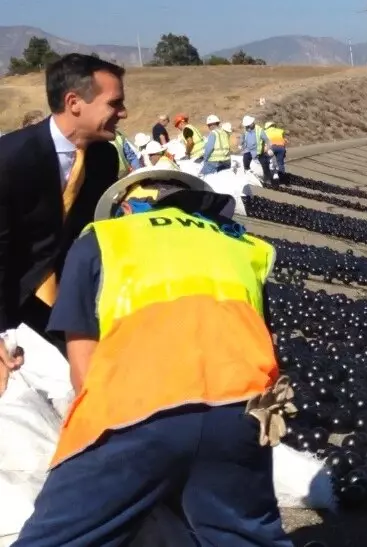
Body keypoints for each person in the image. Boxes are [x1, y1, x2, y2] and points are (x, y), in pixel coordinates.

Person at [11, 166, 294, 546]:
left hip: (134, 410)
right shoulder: (243, 246)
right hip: (240, 410)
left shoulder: (104, 239)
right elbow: (265, 341)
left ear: (125, 206)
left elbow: (84, 368)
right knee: (239, 534)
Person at [0, 53, 125, 396]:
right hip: (11, 296)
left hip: (67, 295)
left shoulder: (103, 158)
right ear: (74, 103)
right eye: (115, 103)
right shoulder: (10, 159)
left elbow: (88, 231)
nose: (123, 112)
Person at [239, 115, 273, 180]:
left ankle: (268, 177)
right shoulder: (245, 130)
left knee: (264, 164)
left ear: (252, 123)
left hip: (258, 151)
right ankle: (247, 171)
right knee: (245, 159)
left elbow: (267, 140)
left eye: (249, 125)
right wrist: (240, 144)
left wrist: (268, 148)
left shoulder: (260, 130)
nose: (247, 127)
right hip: (248, 150)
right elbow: (242, 137)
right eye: (247, 126)